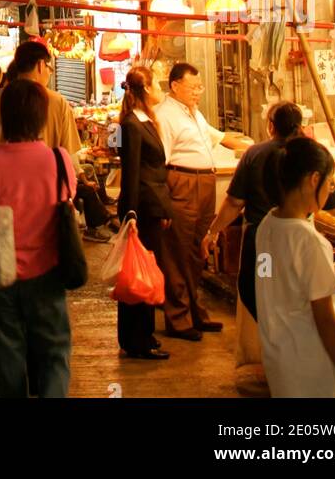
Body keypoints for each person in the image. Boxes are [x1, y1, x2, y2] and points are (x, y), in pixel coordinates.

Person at [0, 79, 75, 398]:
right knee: (54, 353)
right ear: (42, 116)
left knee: (8, 355)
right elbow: (67, 200)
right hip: (47, 273)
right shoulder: (59, 160)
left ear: (4, 115)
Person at [256, 136, 335, 398]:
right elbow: (324, 318)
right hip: (311, 364)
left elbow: (266, 281)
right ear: (314, 179)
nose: (330, 191)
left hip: (278, 358)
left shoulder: (266, 226)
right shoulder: (310, 242)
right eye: (330, 183)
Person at [155, 62, 252, 339]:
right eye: (194, 87)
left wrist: (254, 146)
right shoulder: (165, 116)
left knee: (199, 248)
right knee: (177, 251)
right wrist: (164, 201)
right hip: (182, 184)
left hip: (203, 185)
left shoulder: (193, 113)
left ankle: (195, 312)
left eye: (201, 86)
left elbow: (219, 138)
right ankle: (179, 319)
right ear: (175, 86)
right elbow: (161, 161)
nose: (199, 92)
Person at [0, 39, 110, 240]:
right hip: (48, 208)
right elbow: (69, 157)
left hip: (3, 207)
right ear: (40, 65)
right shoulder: (58, 102)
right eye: (49, 67)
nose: (50, 73)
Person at [202, 101, 304, 320]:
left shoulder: (255, 154)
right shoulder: (310, 154)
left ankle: (272, 333)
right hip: (298, 243)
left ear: (271, 126)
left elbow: (235, 202)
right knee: (294, 291)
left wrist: (213, 231)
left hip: (264, 245)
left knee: (261, 288)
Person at [116, 66, 174, 361]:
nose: (161, 89)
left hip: (153, 207)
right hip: (142, 209)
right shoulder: (131, 125)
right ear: (145, 90)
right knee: (137, 273)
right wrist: (130, 213)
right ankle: (136, 338)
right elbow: (132, 172)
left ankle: (143, 335)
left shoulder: (144, 121)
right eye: (158, 84)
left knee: (146, 271)